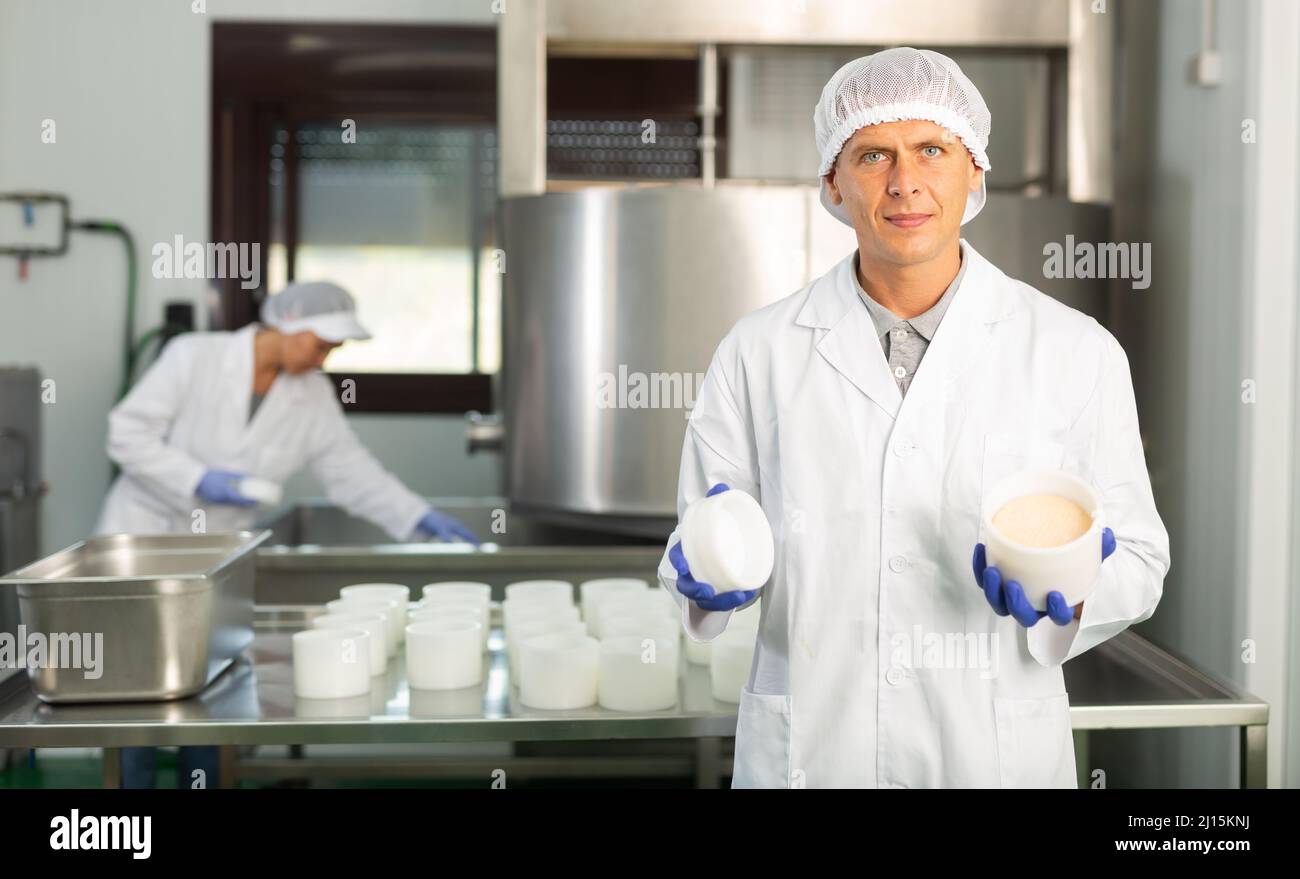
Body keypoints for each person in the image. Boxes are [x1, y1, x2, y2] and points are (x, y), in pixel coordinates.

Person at [657, 48, 1170, 788]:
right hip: (815, 757)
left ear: (975, 170)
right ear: (833, 182)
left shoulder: (1074, 351)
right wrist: (699, 585)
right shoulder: (758, 351)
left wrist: (1077, 590)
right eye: (872, 154)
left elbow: (1143, 558)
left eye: (932, 149)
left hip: (991, 760)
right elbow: (702, 538)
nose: (905, 182)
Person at [96, 280, 479, 788]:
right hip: (144, 537)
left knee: (209, 690)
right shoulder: (194, 356)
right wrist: (196, 479)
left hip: (214, 557)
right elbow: (126, 432)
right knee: (136, 691)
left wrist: (417, 515)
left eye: (332, 351)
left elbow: (350, 470)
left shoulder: (312, 395)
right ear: (288, 325)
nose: (323, 360)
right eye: (320, 346)